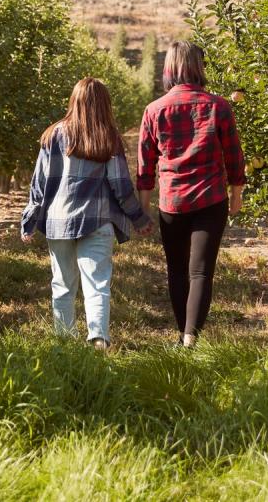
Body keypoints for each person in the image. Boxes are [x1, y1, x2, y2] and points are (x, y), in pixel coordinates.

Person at [22, 77, 153, 350]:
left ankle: (64, 343)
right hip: (97, 221)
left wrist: (30, 220)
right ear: (105, 104)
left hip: (59, 222)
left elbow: (40, 183)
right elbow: (120, 185)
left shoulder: (53, 135)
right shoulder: (108, 137)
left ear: (74, 101)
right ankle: (98, 341)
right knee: (97, 284)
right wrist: (138, 218)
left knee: (63, 285)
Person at [137, 40, 245, 348]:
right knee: (200, 272)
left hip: (172, 202)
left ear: (169, 68)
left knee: (176, 270)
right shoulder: (218, 106)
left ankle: (183, 332)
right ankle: (189, 337)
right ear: (198, 67)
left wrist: (144, 209)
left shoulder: (154, 110)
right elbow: (233, 155)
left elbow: (145, 165)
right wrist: (236, 194)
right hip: (210, 199)